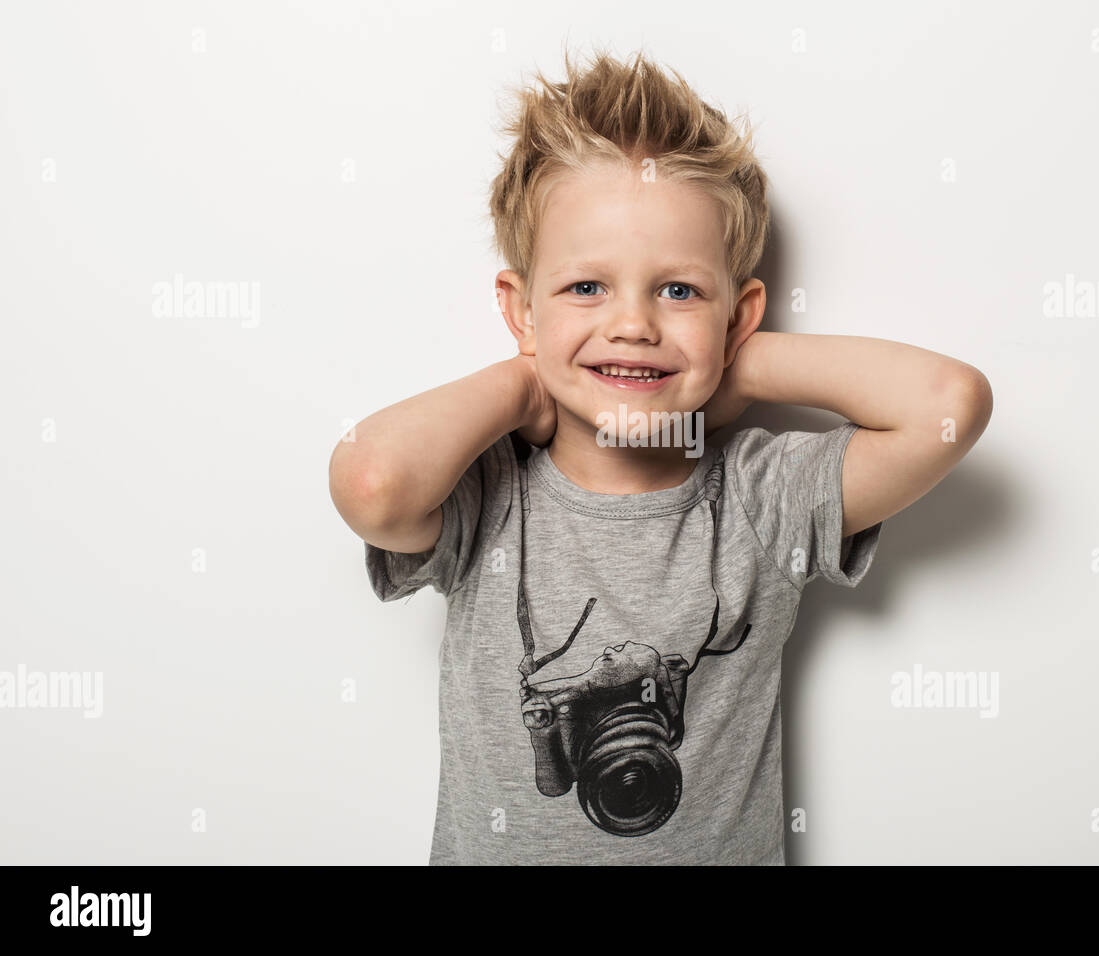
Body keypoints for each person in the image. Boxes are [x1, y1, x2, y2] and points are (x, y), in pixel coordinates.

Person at [328, 45, 993, 864]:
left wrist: (738, 368)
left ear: (738, 314)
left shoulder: (759, 497)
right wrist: (523, 383)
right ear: (521, 309)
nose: (635, 325)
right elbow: (371, 480)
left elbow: (948, 408)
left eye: (679, 291)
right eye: (585, 288)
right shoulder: (489, 493)